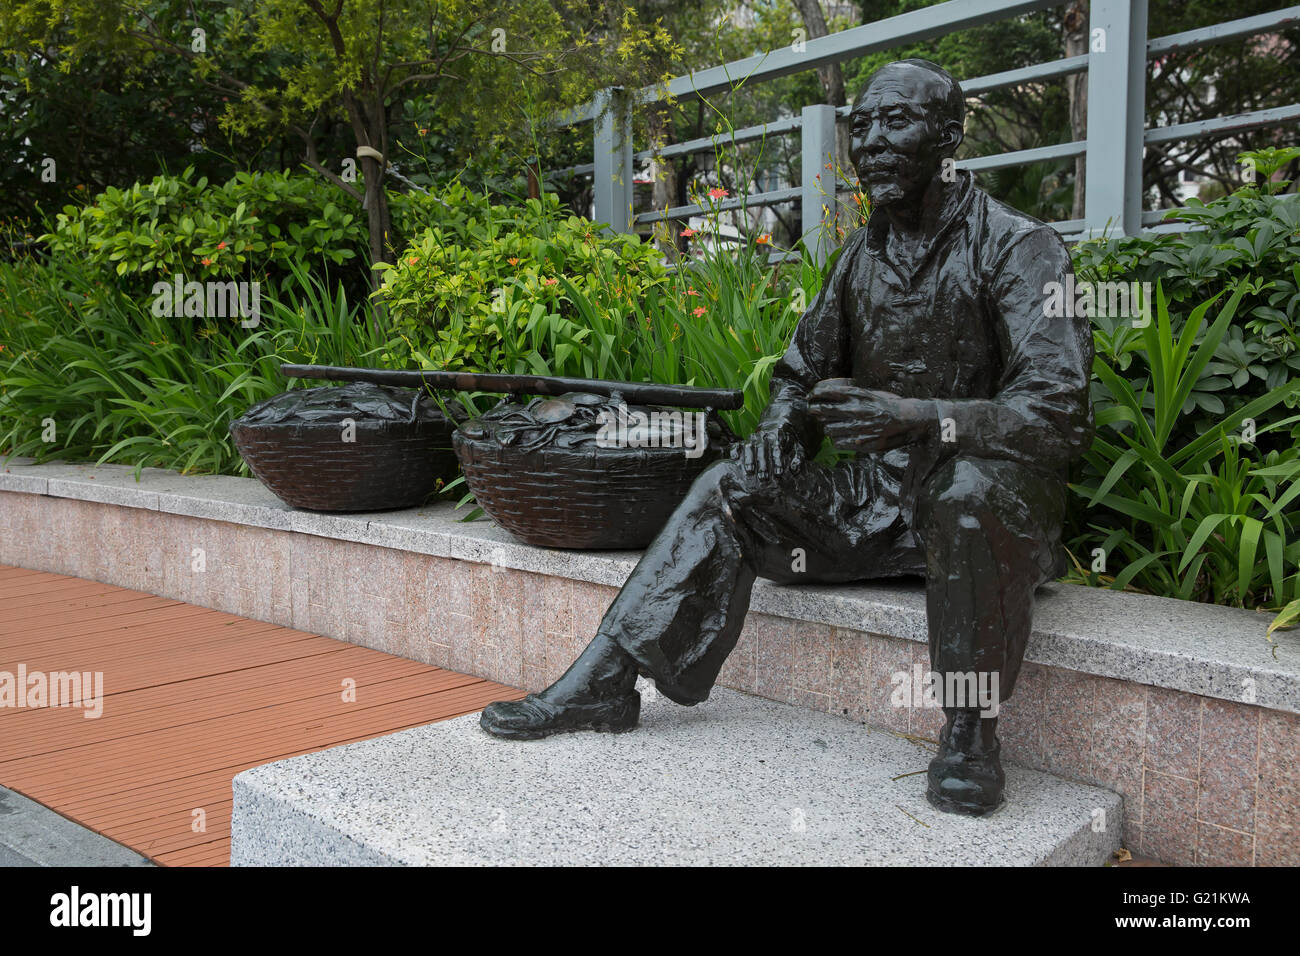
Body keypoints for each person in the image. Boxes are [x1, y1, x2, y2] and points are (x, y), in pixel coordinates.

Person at [479, 58, 1094, 816]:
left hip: (988, 500)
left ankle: (970, 733)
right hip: (879, 502)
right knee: (729, 485)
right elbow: (801, 376)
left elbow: (1058, 413)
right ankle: (604, 682)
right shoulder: (856, 260)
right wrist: (779, 431)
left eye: (894, 121)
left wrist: (918, 416)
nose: (869, 142)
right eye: (859, 126)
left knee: (964, 496)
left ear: (949, 137)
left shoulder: (1020, 248)